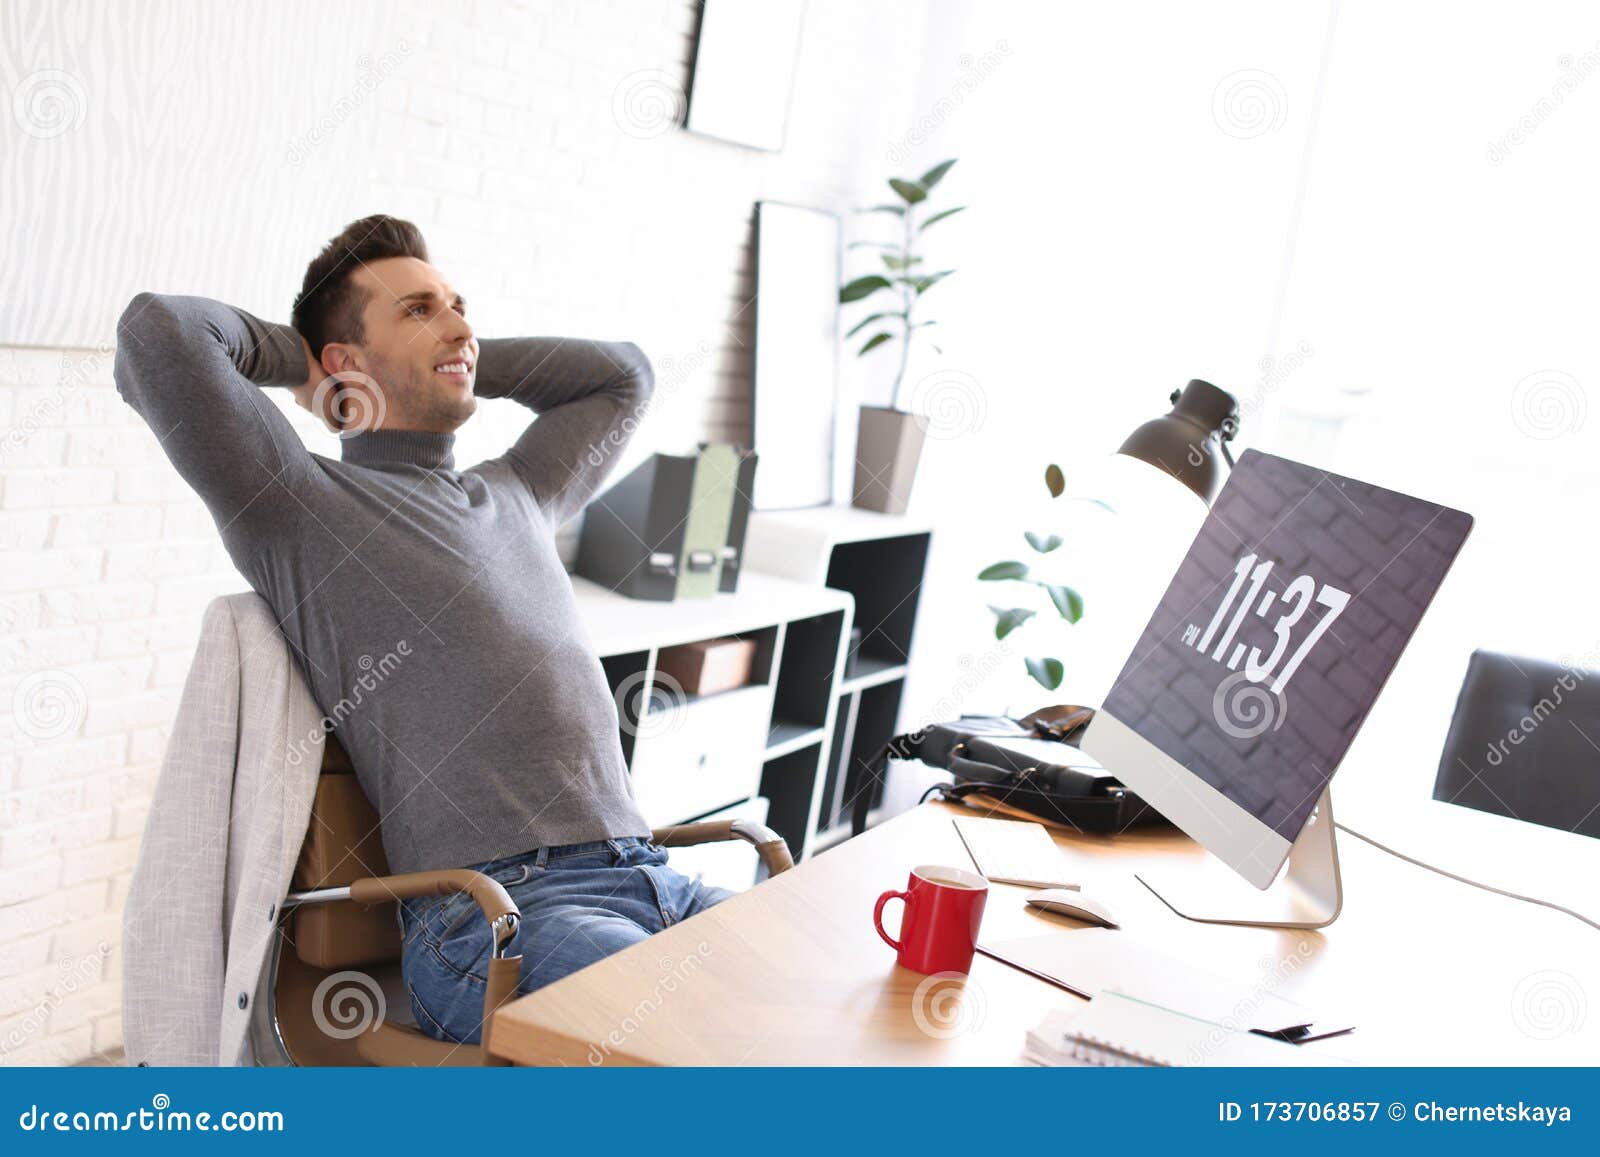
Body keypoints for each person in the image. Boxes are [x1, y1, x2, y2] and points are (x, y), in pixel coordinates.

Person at [114, 214, 731, 1045]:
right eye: (418, 310)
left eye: (459, 305)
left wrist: (451, 353)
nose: (460, 324)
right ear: (345, 363)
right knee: (696, 1040)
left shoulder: (519, 491)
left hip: (651, 871)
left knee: (819, 993)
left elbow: (625, 377)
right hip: (500, 915)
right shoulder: (301, 506)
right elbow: (159, 334)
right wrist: (311, 361)